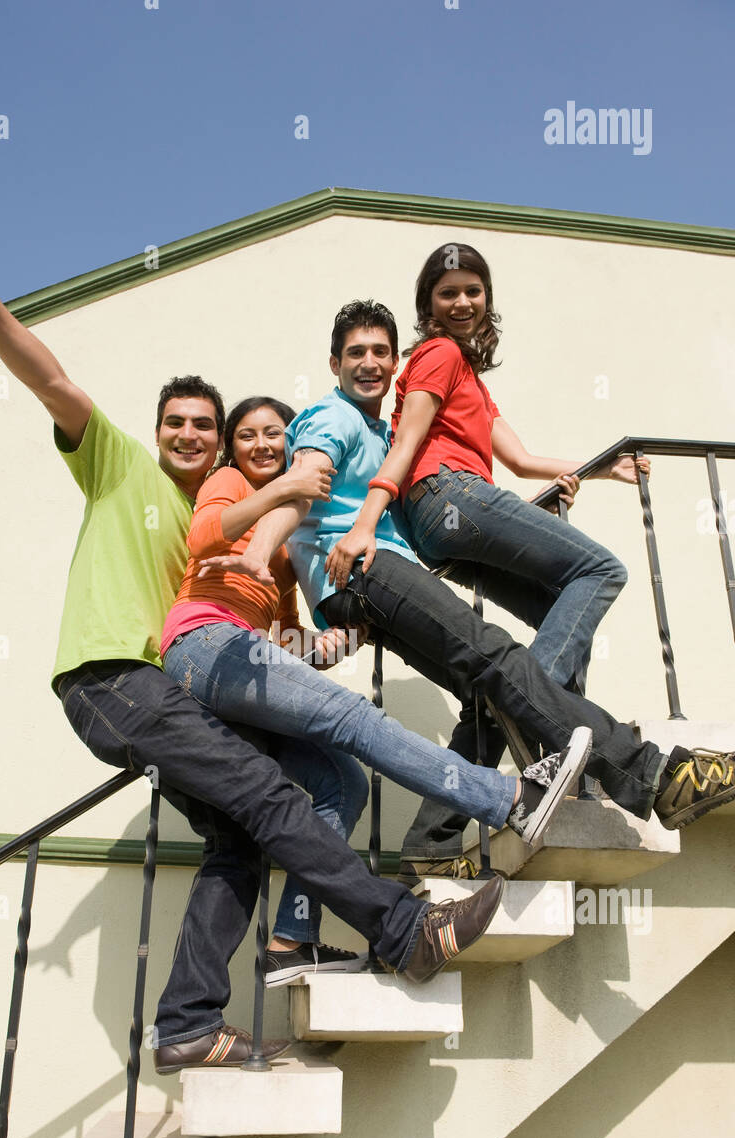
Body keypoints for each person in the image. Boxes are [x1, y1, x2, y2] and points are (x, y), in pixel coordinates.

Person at [0, 188, 507, 1075]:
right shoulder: (119, 464)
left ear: (219, 446)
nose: (187, 434)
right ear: (158, 429)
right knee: (273, 798)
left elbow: (263, 605)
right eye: (176, 422)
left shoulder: (215, 514)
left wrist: (330, 621)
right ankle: (404, 929)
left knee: (243, 834)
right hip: (113, 678)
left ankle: (187, 1023)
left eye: (202, 428)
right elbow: (48, 377)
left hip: (172, 689)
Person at [198, 300, 735, 846]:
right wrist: (259, 551)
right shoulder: (329, 418)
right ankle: (652, 774)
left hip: (372, 583)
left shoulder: (379, 433)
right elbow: (304, 482)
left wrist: (527, 512)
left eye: (381, 352)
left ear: (394, 362)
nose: (369, 362)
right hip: (365, 570)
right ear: (333, 363)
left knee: (488, 694)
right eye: (355, 352)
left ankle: (431, 845)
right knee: (497, 656)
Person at [161, 395, 592, 981]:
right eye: (247, 436)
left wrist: (324, 646)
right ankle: (510, 801)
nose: (261, 445)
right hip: (203, 643)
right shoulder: (232, 482)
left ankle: (292, 939)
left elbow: (285, 643)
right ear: (232, 449)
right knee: (354, 720)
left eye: (273, 434)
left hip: (237, 660)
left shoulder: (285, 551)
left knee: (341, 783)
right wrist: (285, 487)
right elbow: (205, 533)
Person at [326, 247, 650, 876]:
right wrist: (366, 522)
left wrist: (595, 468)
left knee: (556, 616)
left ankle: (435, 833)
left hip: (449, 516)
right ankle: (548, 732)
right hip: (448, 495)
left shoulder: (468, 376)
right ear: (430, 306)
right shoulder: (438, 355)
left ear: (487, 297)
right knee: (601, 570)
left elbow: (523, 461)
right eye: (448, 293)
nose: (463, 302)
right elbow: (410, 441)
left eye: (473, 290)